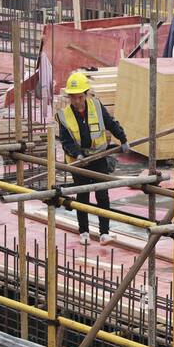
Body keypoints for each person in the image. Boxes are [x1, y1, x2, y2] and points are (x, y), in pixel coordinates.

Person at [56, 71, 130, 243]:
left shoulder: (96, 106)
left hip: (98, 157)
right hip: (79, 161)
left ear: (86, 94)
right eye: (73, 97)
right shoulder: (64, 115)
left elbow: (111, 123)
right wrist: (78, 154)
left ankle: (104, 231)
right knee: (83, 195)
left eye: (79, 97)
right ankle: (84, 232)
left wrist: (123, 139)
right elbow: (66, 142)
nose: (76, 101)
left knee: (102, 194)